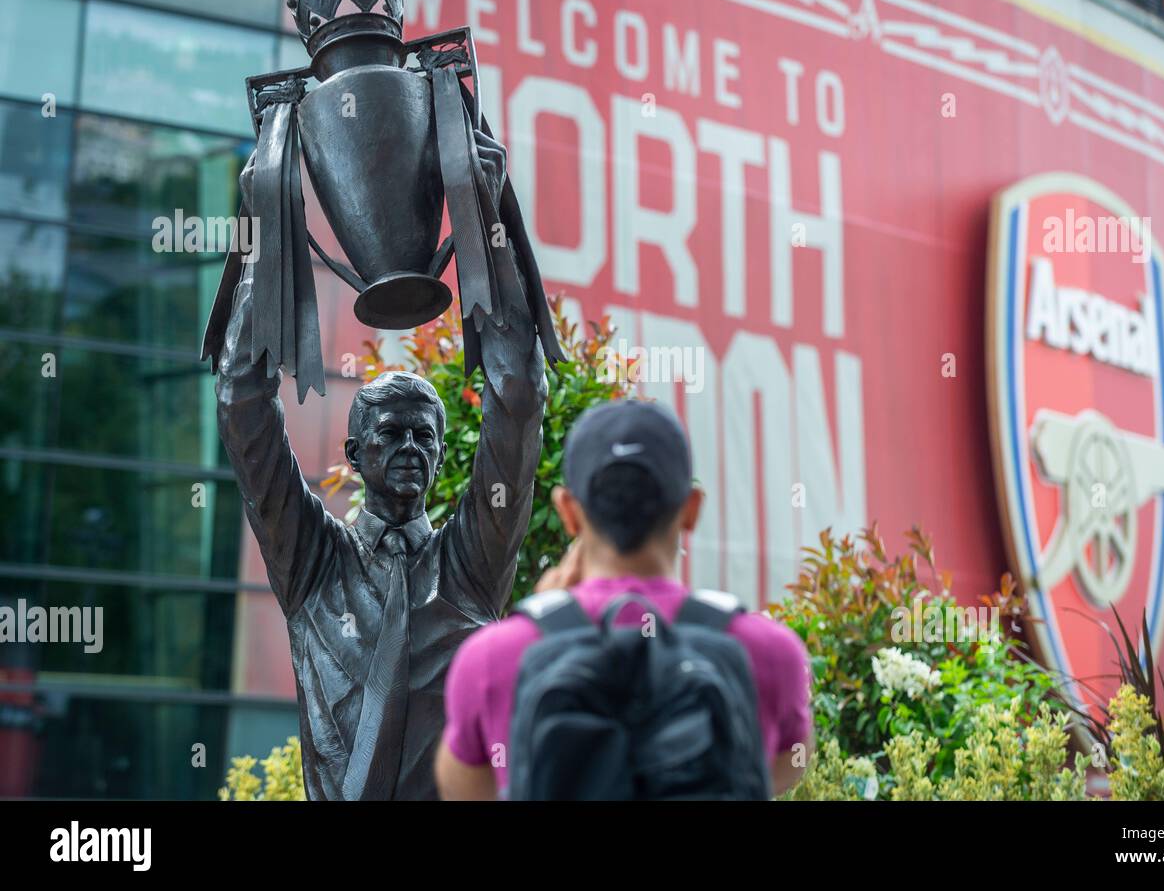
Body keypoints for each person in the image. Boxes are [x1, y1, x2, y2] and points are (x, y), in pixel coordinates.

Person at [213, 133, 547, 800]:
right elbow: (240, 398)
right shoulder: (310, 560)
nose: (412, 449)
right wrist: (266, 232)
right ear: (354, 454)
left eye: (426, 438)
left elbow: (517, 398)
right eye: (391, 434)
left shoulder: (470, 568)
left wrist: (486, 224)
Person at [435, 399, 812, 799]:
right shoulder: (770, 652)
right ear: (691, 508)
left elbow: (468, 790)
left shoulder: (492, 659)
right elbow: (780, 766)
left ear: (568, 511)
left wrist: (543, 623)